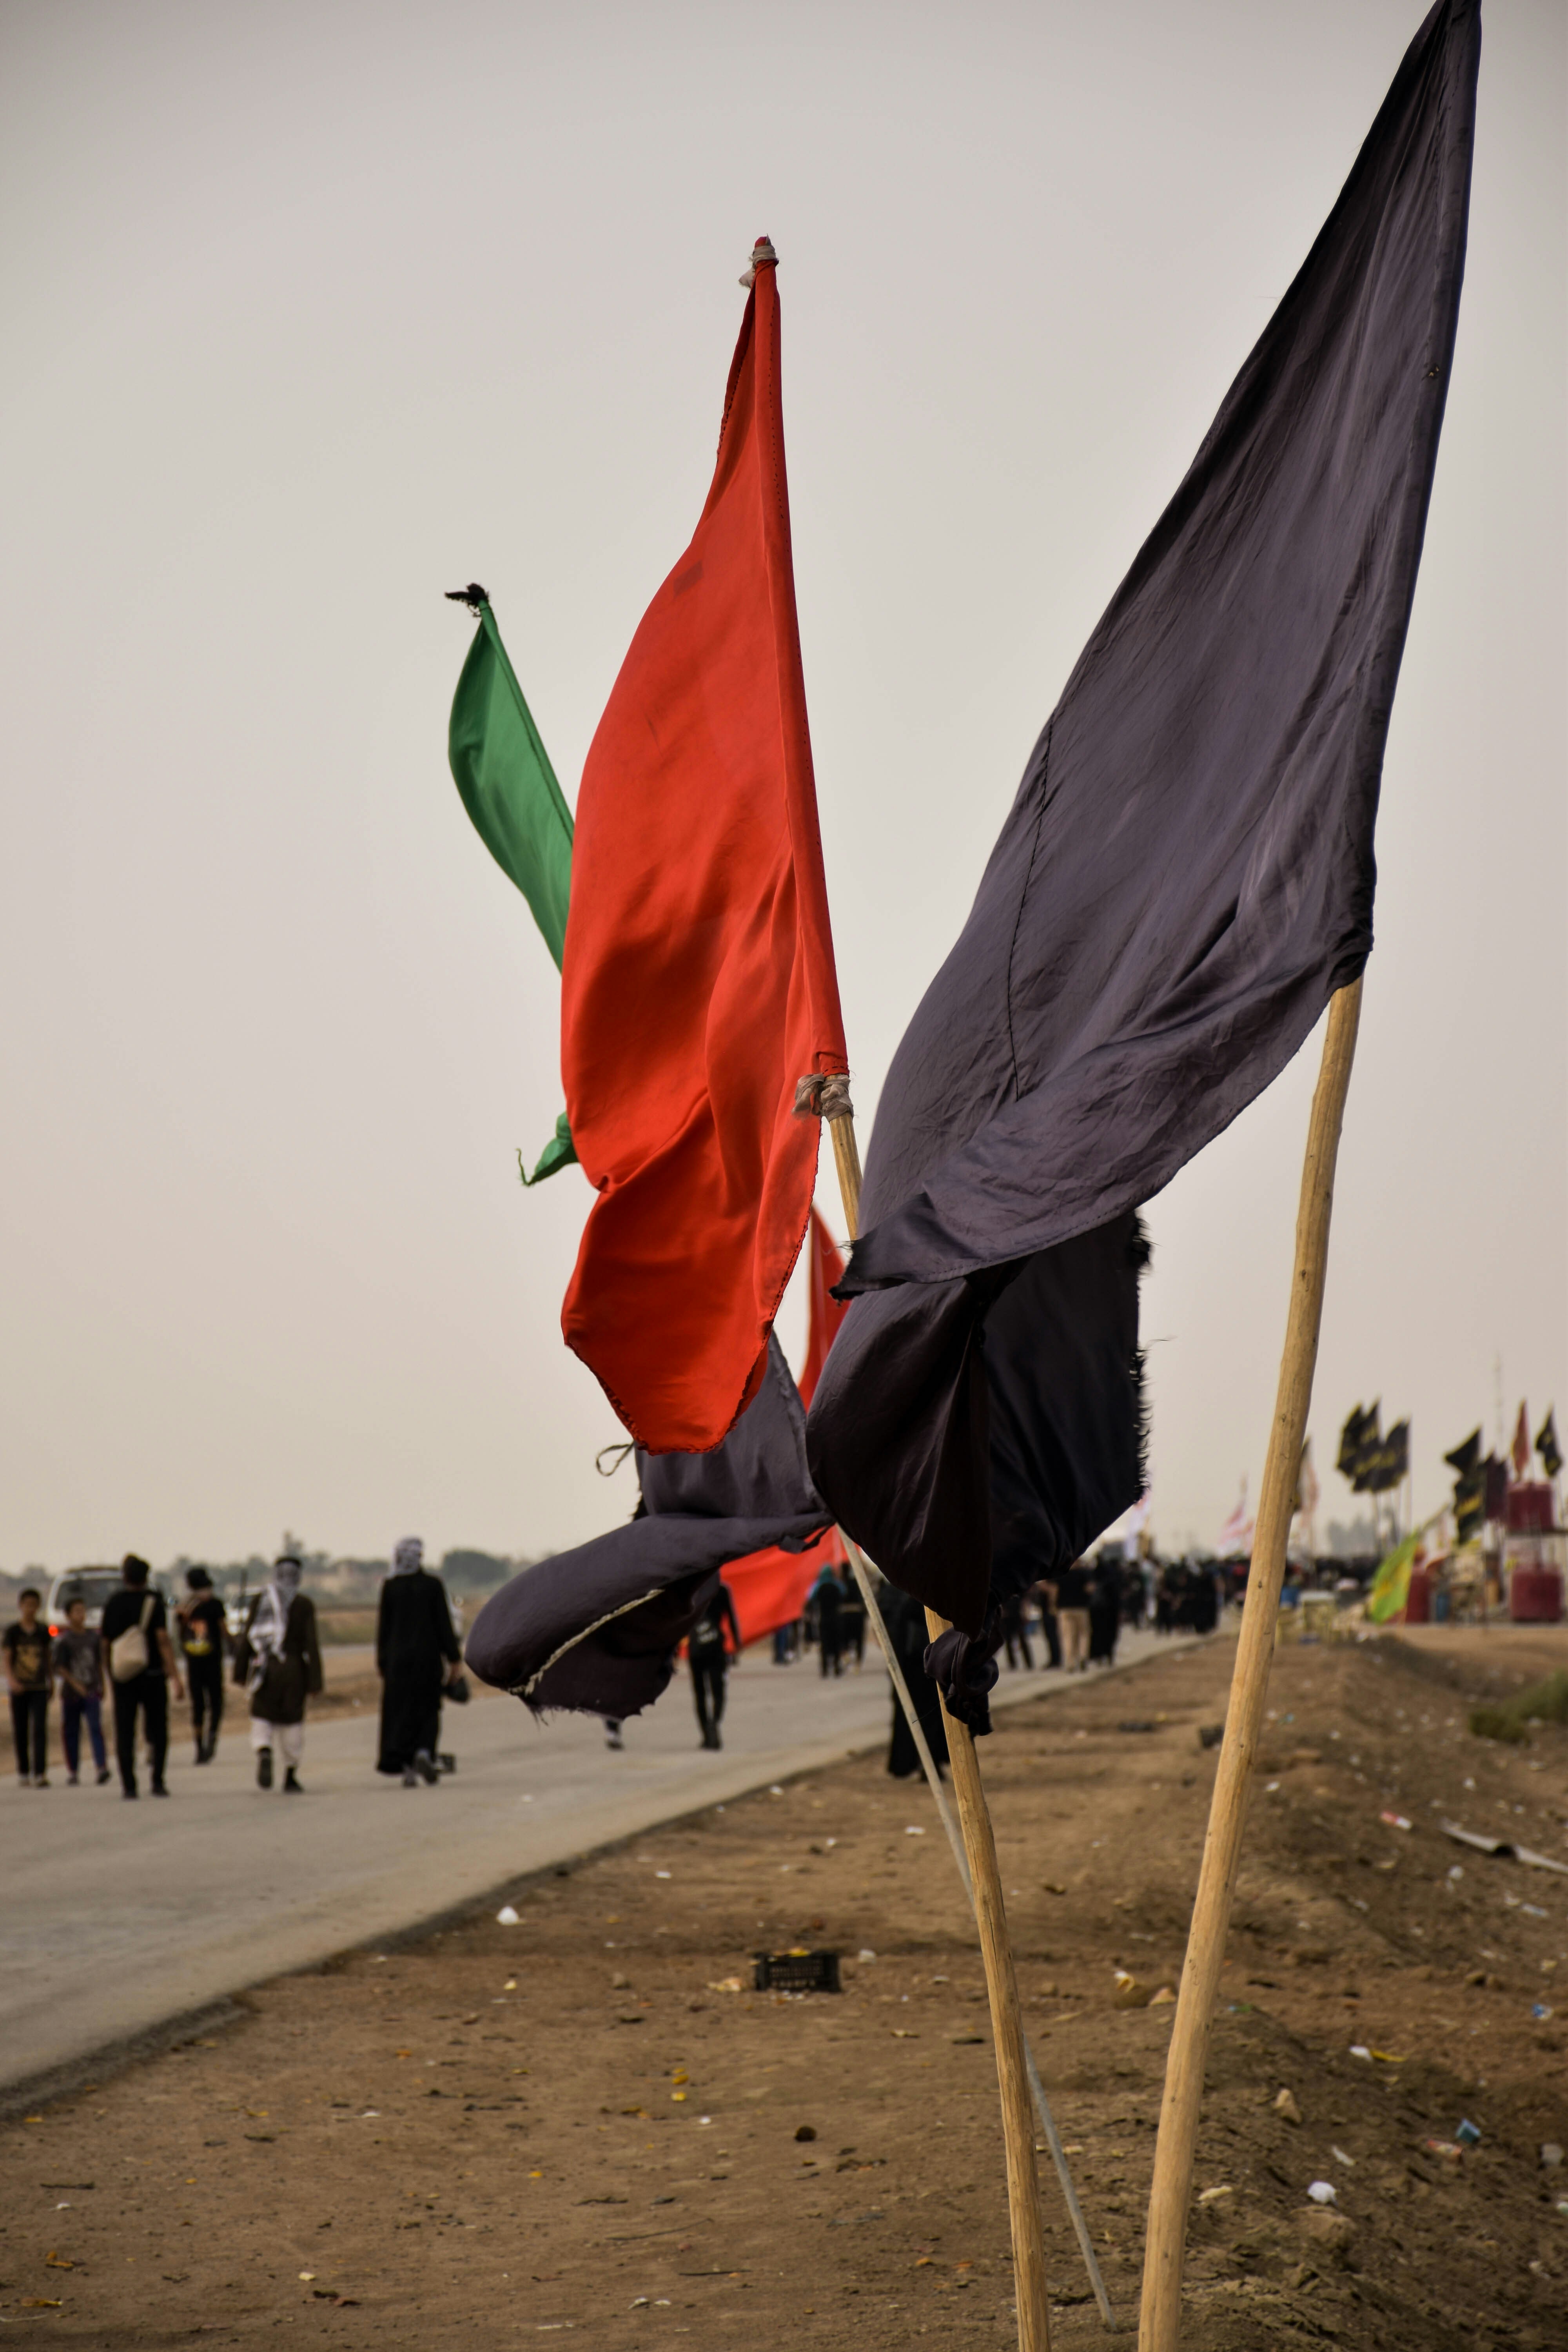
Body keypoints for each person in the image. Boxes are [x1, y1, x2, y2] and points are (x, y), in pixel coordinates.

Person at [375, 1537, 461, 1787]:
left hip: (397, 1662)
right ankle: (424, 1751)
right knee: (428, 1709)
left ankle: (408, 1769)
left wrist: (382, 1662)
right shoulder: (433, 1585)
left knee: (400, 1713)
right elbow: (444, 1626)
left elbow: (384, 1629)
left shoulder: (390, 1587)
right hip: (428, 1660)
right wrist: (454, 1659)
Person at [238, 1553, 321, 1793]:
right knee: (292, 1722)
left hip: (266, 1669)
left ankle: (264, 1750)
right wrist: (315, 1682)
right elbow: (312, 1644)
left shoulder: (262, 1600)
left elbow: (248, 1637)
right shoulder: (304, 1604)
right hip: (294, 1671)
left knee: (262, 1715)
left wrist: (241, 1672)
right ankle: (290, 1776)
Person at [102, 1555, 183, 1799]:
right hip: (153, 1674)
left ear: (124, 1576)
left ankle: (129, 1785)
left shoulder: (114, 1602)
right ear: (146, 1577)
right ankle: (158, 1781)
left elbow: (105, 1643)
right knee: (159, 1729)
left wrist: (109, 1673)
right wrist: (176, 1677)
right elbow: (163, 1640)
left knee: (125, 1731)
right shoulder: (154, 1600)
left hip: (124, 1676)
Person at [882, 1586, 948, 1780]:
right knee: (926, 1718)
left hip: (920, 1669)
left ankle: (923, 1764)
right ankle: (923, 1764)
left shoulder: (907, 1597)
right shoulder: (914, 1597)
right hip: (920, 1669)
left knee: (923, 1718)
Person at [53, 1592, 111, 1786]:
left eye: (83, 1611)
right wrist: (75, 1684)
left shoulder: (93, 1638)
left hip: (91, 1690)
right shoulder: (65, 1641)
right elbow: (60, 1667)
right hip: (71, 1694)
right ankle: (73, 1770)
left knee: (95, 1728)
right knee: (71, 1732)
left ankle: (101, 1766)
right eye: (77, 1611)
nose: (81, 1615)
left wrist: (103, 1684)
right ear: (68, 1615)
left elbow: (99, 1663)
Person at [176, 1568, 228, 1765]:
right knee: (216, 1703)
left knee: (198, 1706)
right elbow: (223, 1631)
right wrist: (235, 1643)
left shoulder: (185, 1607)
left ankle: (199, 1747)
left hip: (193, 1662)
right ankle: (212, 1737)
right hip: (213, 1660)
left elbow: (180, 1633)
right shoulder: (215, 1604)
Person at [5, 1587, 53, 1787]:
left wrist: (51, 1681)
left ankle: (40, 1772)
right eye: (28, 1605)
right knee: (21, 1729)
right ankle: (24, 1771)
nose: (31, 1609)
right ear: (21, 1606)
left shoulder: (43, 1631)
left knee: (40, 1729)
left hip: (39, 1686)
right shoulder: (13, 1632)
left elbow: (48, 1657)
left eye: (34, 1605)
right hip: (20, 1687)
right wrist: (12, 1681)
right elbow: (7, 1659)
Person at [687, 1578, 741, 1751]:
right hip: (717, 1648)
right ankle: (714, 1723)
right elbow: (732, 1617)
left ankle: (706, 1734)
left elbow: (680, 1621)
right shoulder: (722, 1590)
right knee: (718, 1690)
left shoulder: (692, 1591)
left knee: (700, 1693)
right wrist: (737, 1644)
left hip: (696, 1649)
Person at [1049, 1557, 1093, 1673]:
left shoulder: (1061, 1574)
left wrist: (1053, 1605)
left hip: (1064, 1610)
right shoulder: (1084, 1574)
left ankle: (1070, 1663)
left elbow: (1055, 1591)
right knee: (1084, 1634)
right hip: (1081, 1609)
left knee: (1068, 1636)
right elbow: (1090, 1589)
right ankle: (1083, 1657)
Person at [811, 1562, 845, 1677]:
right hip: (836, 1618)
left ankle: (825, 1669)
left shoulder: (818, 1587)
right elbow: (844, 1594)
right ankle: (837, 1667)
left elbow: (811, 1598)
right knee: (836, 1643)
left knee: (825, 1644)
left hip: (823, 1619)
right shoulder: (837, 1585)